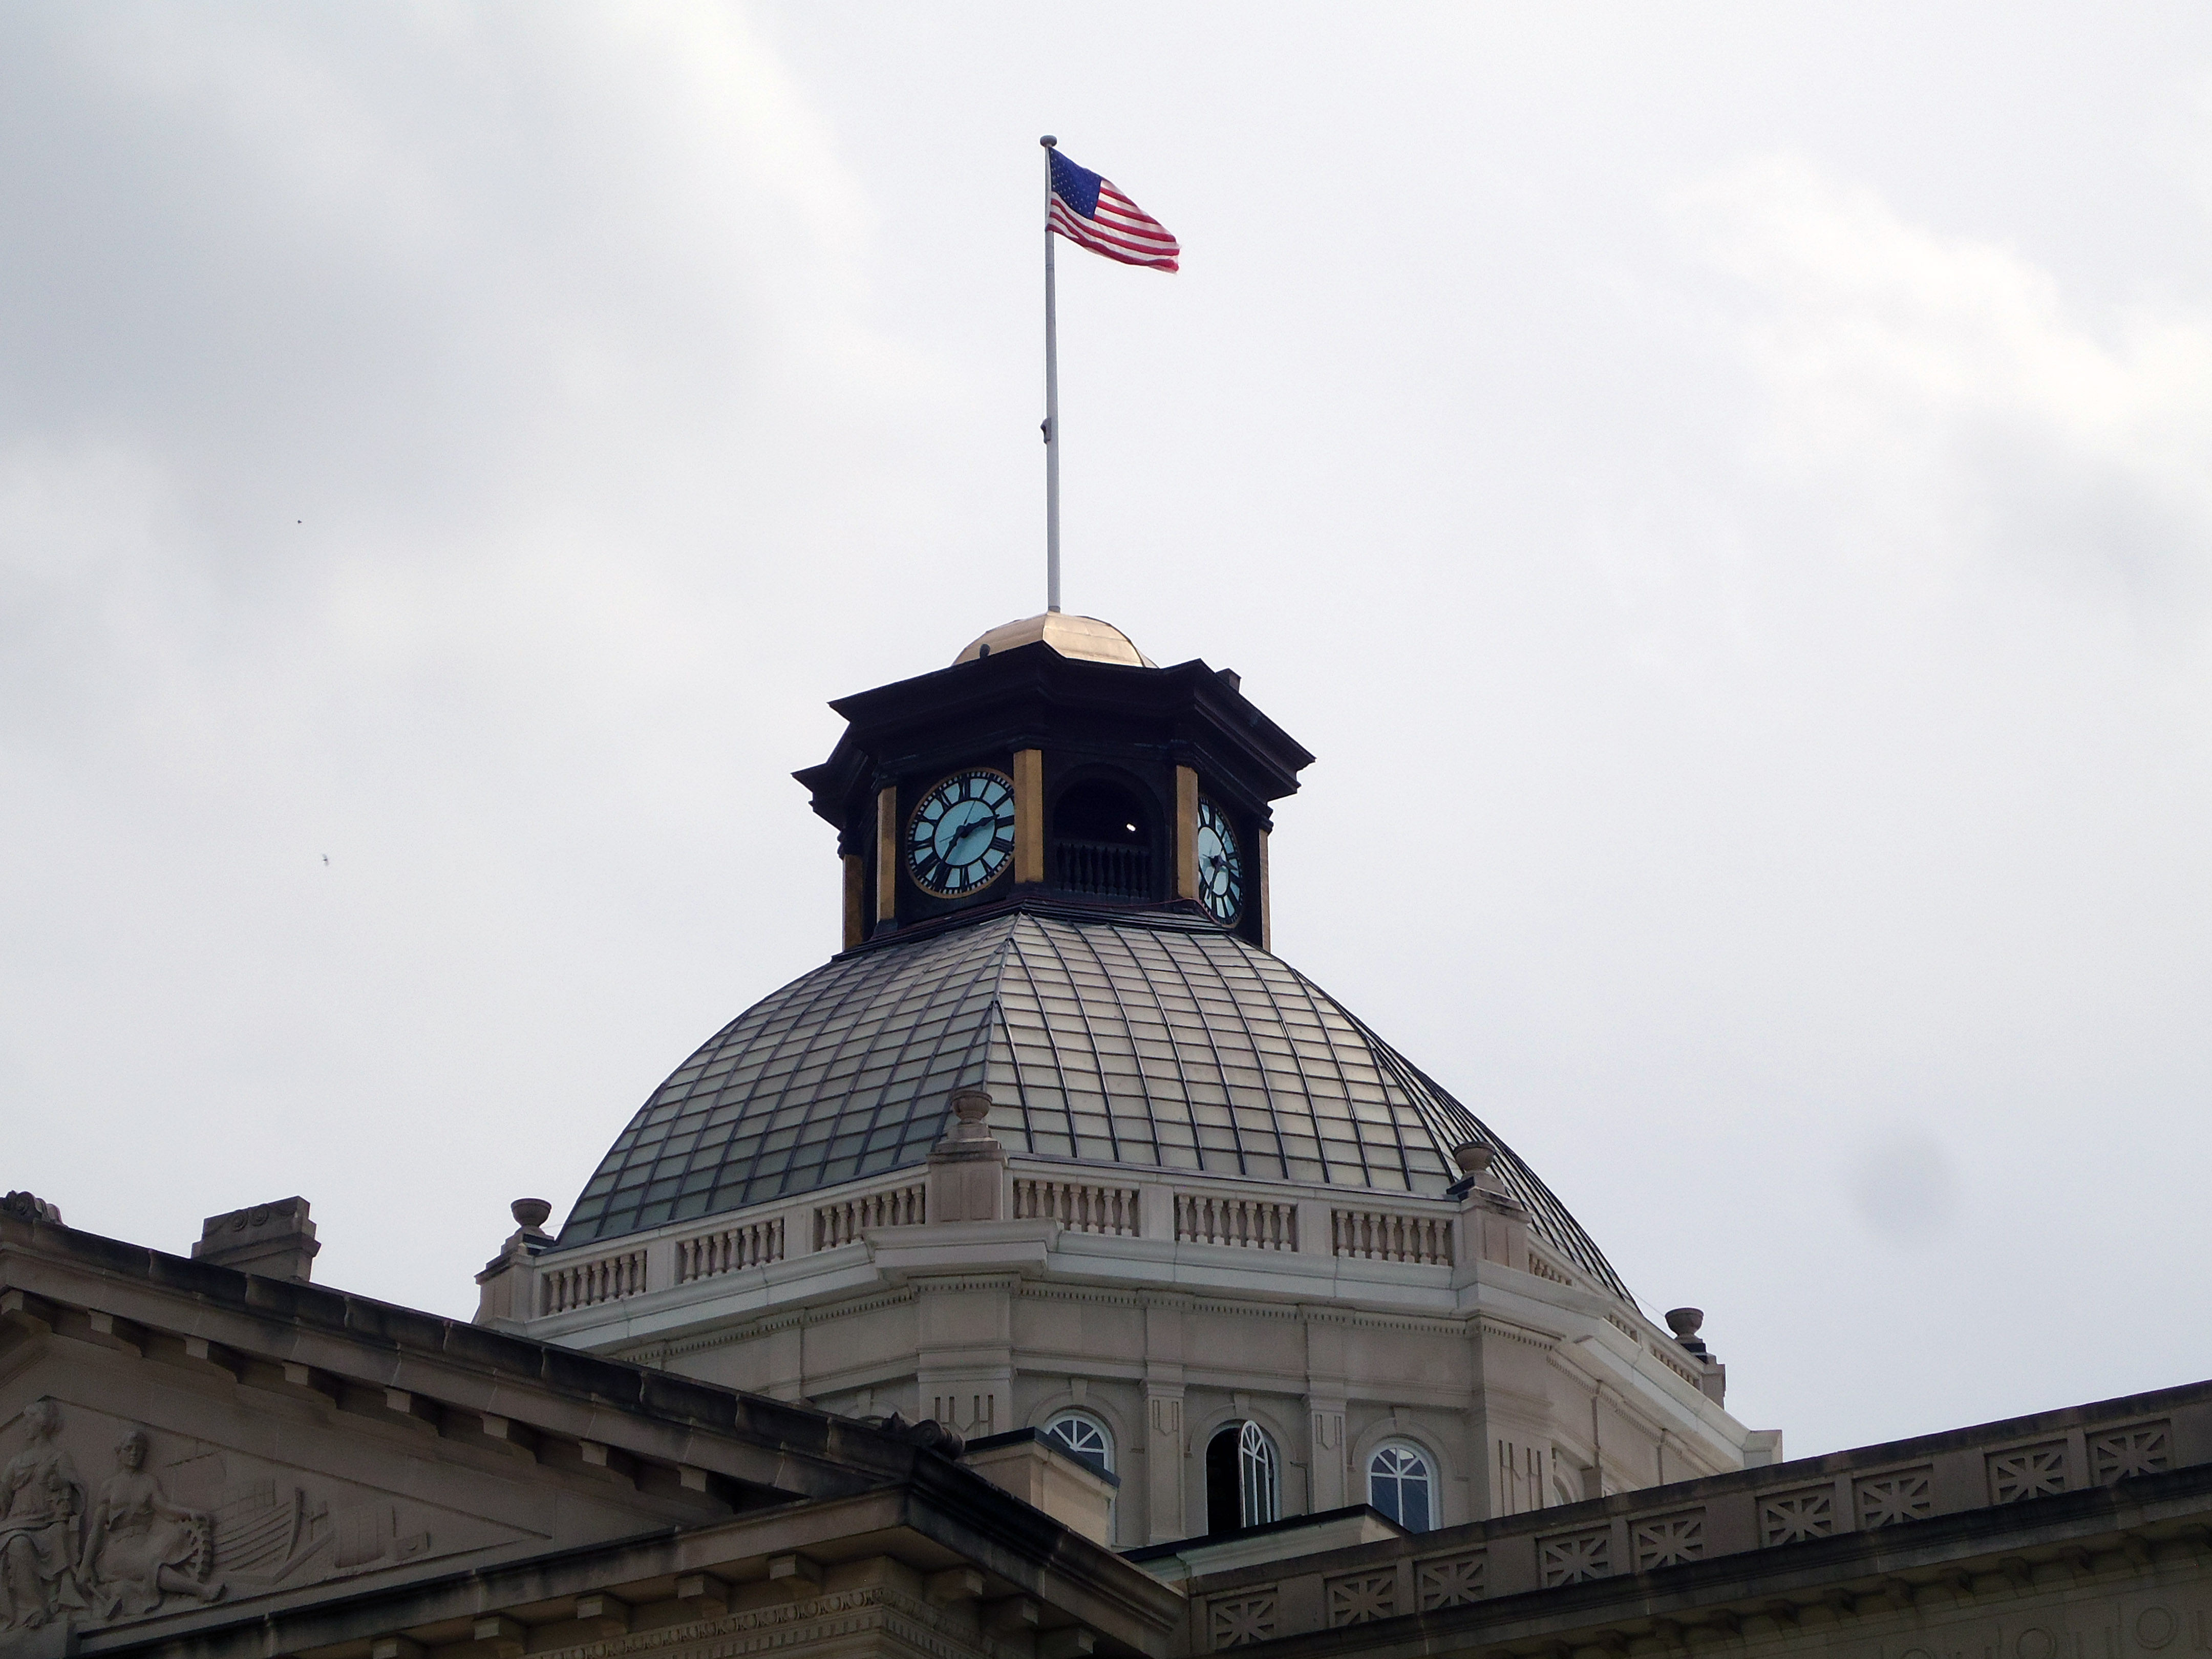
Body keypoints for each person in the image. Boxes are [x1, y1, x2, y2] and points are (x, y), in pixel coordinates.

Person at [81, 1429, 222, 1620]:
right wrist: (86, 1566)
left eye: (138, 1450)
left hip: (144, 1543)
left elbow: (165, 1508)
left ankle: (143, 1586)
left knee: (176, 1537)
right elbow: (97, 1529)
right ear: (119, 1453)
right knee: (151, 1565)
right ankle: (200, 1590)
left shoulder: (149, 1482)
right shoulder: (109, 1486)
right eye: (129, 1449)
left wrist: (190, 1512)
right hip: (118, 1551)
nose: (133, 1453)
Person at [0, 1398, 87, 1630]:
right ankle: (33, 1608)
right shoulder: (17, 1462)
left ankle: (58, 1596)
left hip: (47, 1523)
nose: (25, 1427)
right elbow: (4, 1495)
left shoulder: (58, 1457)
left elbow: (78, 1495)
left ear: (41, 1424)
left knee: (51, 1535)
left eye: (29, 1421)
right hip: (17, 1523)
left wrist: (62, 1483)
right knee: (18, 1543)